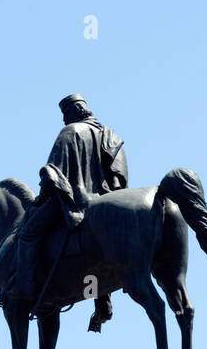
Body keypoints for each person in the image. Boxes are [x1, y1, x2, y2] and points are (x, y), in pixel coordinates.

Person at [11, 95, 128, 324]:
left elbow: (53, 175)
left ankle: (25, 291)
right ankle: (103, 302)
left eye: (65, 115)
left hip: (75, 200)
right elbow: (119, 179)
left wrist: (40, 199)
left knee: (27, 234)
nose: (65, 120)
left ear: (75, 111)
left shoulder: (70, 132)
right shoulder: (111, 135)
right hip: (105, 201)